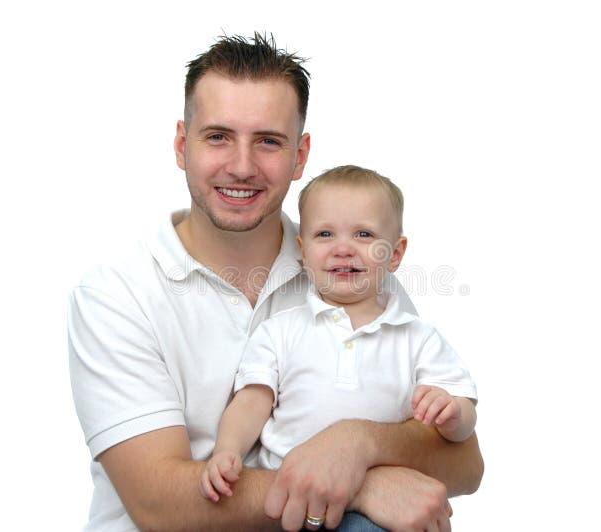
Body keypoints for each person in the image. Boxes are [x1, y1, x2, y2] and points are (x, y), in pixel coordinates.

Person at [68, 33, 483, 532]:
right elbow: (159, 504)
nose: (242, 166)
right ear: (182, 145)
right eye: (218, 136)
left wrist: (359, 443)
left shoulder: (352, 269)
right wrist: (361, 485)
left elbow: (465, 464)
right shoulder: (115, 296)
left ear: (301, 155)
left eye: (268, 140)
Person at [199, 166, 479, 530]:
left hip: (377, 509)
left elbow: (464, 420)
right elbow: (252, 401)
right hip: (288, 502)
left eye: (364, 234)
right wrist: (226, 452)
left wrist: (454, 413)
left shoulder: (417, 337)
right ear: (303, 251)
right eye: (324, 234)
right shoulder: (281, 330)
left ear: (395, 254)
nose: (343, 248)